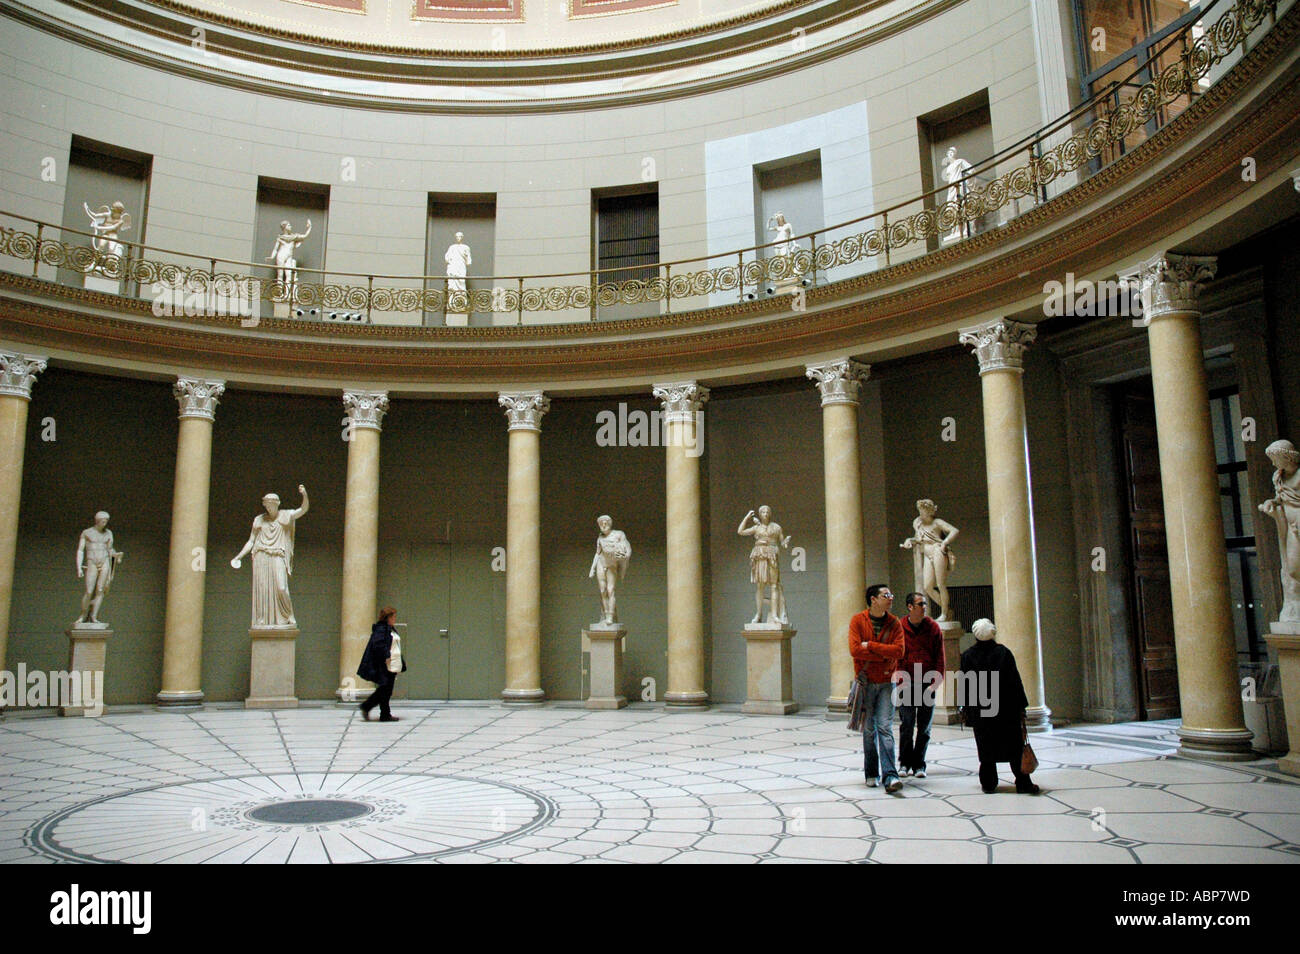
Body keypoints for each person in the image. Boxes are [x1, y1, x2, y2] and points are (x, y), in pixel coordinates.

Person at [960, 618, 1039, 794]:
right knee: (1014, 746)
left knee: (985, 746)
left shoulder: (967, 656)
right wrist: (1021, 707)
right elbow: (1015, 682)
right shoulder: (1004, 653)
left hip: (981, 710)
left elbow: (965, 686)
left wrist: (967, 709)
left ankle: (988, 783)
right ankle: (1022, 782)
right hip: (1006, 710)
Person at [849, 583, 906, 792]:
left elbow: (899, 651)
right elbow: (855, 650)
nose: (890, 598)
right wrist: (884, 653)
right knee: (869, 729)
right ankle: (871, 771)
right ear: (873, 599)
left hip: (887, 682)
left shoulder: (894, 623)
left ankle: (890, 775)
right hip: (866, 682)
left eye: (891, 594)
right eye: (886, 595)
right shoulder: (858, 621)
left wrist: (871, 646)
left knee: (885, 727)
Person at [231, 485, 308, 628]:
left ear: (277, 504)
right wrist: (238, 557)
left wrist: (304, 495)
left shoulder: (285, 515)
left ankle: (287, 616)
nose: (269, 508)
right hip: (261, 557)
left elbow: (303, 509)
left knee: (281, 587)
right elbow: (251, 541)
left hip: (277, 555)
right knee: (263, 590)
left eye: (272, 505)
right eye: (267, 505)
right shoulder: (259, 520)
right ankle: (263, 621)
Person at [896, 592, 944, 778]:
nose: (924, 606)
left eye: (924, 603)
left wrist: (935, 683)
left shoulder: (932, 627)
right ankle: (904, 763)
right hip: (907, 683)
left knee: (924, 728)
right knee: (906, 724)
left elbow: (940, 657)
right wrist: (901, 681)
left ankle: (919, 764)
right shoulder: (899, 627)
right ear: (910, 607)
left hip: (927, 683)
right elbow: (897, 657)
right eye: (920, 603)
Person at [899, 498, 959, 621]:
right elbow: (918, 539)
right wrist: (908, 541)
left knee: (940, 584)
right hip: (927, 554)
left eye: (924, 511)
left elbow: (954, 531)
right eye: (920, 511)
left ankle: (944, 613)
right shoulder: (917, 523)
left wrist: (945, 543)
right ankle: (947, 609)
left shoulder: (937, 522)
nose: (921, 514)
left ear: (930, 511)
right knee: (927, 586)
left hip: (937, 551)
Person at [738, 506, 791, 624]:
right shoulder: (757, 527)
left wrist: (785, 542)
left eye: (767, 512)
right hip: (760, 555)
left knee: (774, 585)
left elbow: (782, 543)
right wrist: (747, 517)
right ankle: (758, 614)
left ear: (770, 514)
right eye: (763, 512)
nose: (765, 513)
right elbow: (740, 531)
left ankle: (775, 615)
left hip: (772, 554)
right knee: (760, 585)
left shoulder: (776, 527)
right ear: (759, 514)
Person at [357, 606, 404, 722]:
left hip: (392, 664)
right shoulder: (382, 629)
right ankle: (370, 707)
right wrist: (386, 656)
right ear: (388, 617)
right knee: (385, 690)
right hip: (385, 664)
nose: (395, 619)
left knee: (385, 690)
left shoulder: (389, 628)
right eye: (393, 616)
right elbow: (378, 645)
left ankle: (383, 713)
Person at [75, 511, 123, 625]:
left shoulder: (108, 533)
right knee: (89, 591)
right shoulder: (87, 533)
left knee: (100, 590)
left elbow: (110, 549)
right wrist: (79, 568)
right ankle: (83, 614)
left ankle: (93, 616)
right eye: (103, 521)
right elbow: (80, 550)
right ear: (97, 521)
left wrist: (117, 555)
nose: (105, 523)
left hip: (104, 561)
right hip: (92, 561)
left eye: (106, 521)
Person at [588, 514, 631, 624]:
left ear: (609, 524)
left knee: (610, 590)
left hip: (612, 566)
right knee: (603, 591)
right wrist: (592, 569)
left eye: (605, 522)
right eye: (601, 523)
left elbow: (627, 548)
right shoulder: (600, 538)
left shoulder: (618, 534)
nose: (603, 525)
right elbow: (597, 554)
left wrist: (624, 556)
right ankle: (606, 614)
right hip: (601, 564)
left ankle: (610, 616)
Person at [266, 219, 311, 300]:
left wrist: (309, 227)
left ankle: (288, 294)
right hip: (281, 256)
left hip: (289, 257)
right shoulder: (280, 237)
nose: (291, 226)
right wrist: (271, 257)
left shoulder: (294, 237)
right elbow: (276, 249)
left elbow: (305, 236)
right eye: (289, 225)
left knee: (289, 275)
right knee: (280, 274)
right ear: (285, 227)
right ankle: (279, 293)